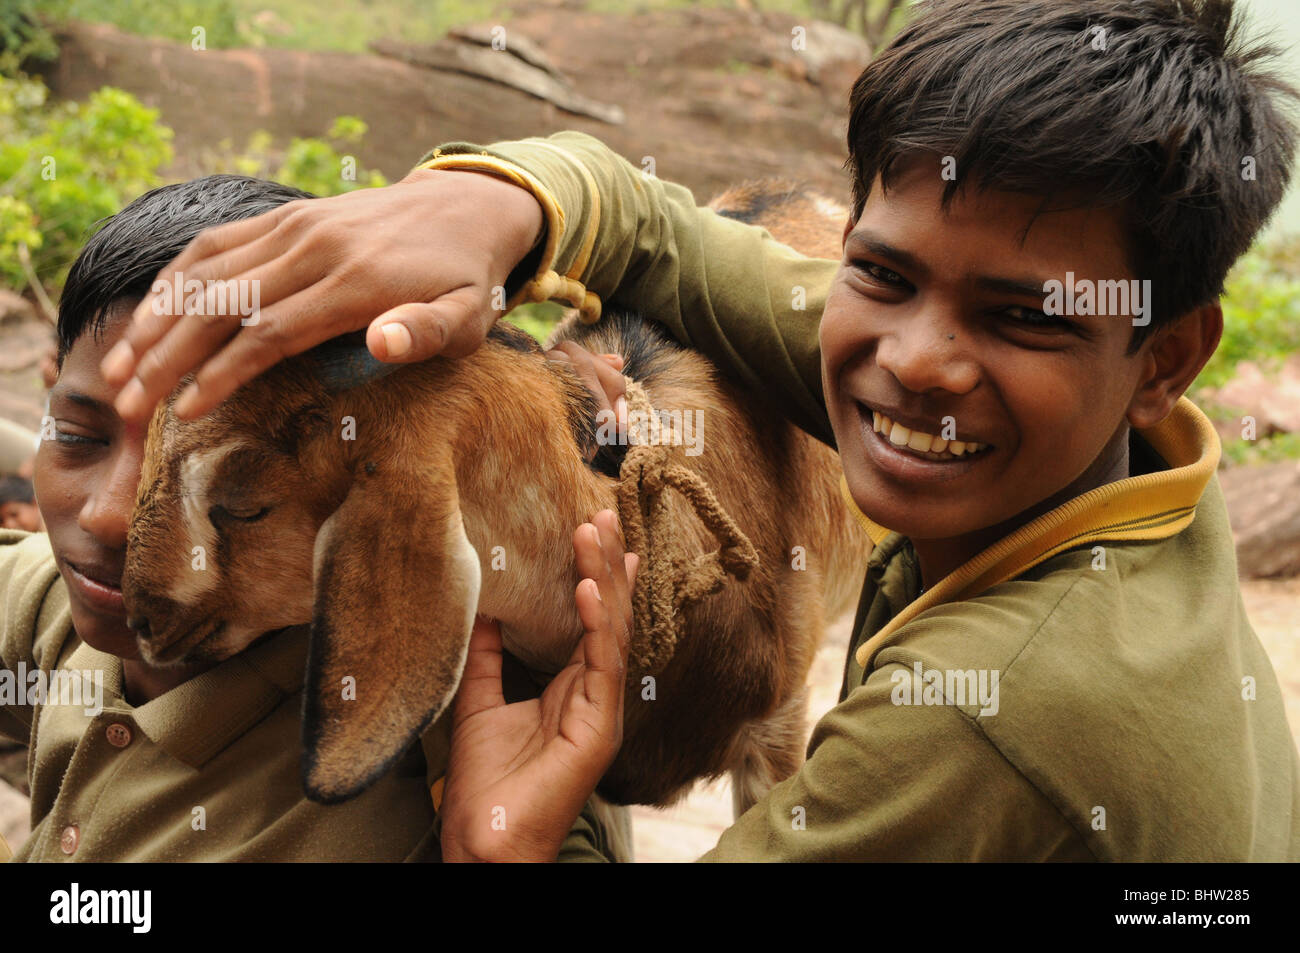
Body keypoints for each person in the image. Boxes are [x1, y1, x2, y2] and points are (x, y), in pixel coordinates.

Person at [99, 0, 1299, 861]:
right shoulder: (1086, 449)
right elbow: (655, 230)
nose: (915, 360)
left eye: (1018, 315)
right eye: (878, 273)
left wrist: (521, 834)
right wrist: (497, 196)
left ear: (1168, 354)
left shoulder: (977, 722)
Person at [0, 173, 633, 861]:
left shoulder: (462, 724)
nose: (112, 515)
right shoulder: (58, 608)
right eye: (78, 436)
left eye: (238, 503)